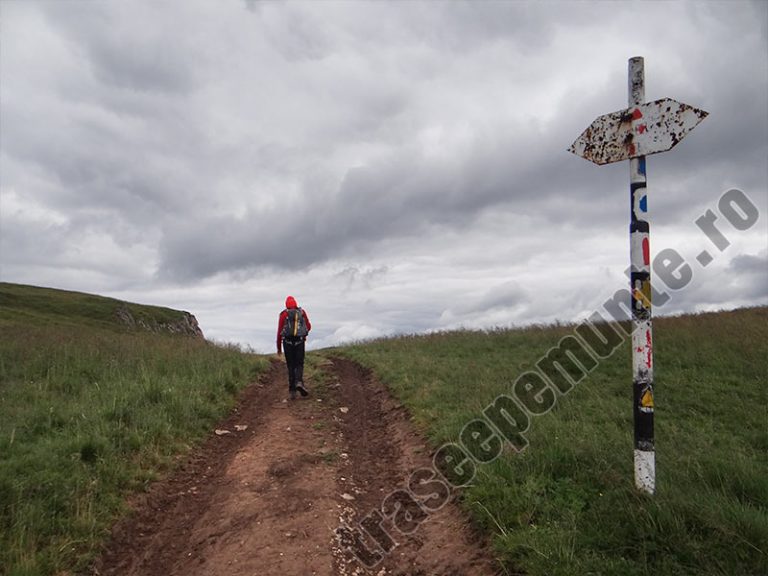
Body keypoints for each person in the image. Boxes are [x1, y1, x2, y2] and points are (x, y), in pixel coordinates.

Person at [276, 295, 312, 400]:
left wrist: (279, 348)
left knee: (290, 365)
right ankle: (299, 382)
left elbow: (279, 332)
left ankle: (292, 391)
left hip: (287, 343)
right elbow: (308, 326)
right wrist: (301, 334)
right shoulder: (302, 312)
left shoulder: (283, 314)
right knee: (299, 364)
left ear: (286, 304)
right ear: (295, 303)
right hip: (299, 342)